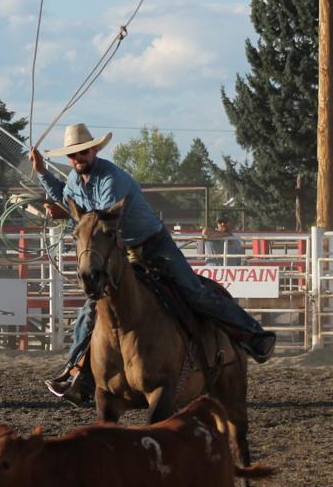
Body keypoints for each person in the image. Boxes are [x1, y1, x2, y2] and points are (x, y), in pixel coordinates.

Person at [31, 123, 275, 404]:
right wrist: (42, 173)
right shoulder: (76, 182)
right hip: (122, 252)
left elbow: (102, 219)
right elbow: (65, 196)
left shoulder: (111, 178)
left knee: (193, 291)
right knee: (92, 307)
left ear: (94, 150)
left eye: (82, 152)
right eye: (73, 155)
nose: (78, 158)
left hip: (153, 244)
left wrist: (66, 213)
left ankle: (252, 335)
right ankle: (76, 371)